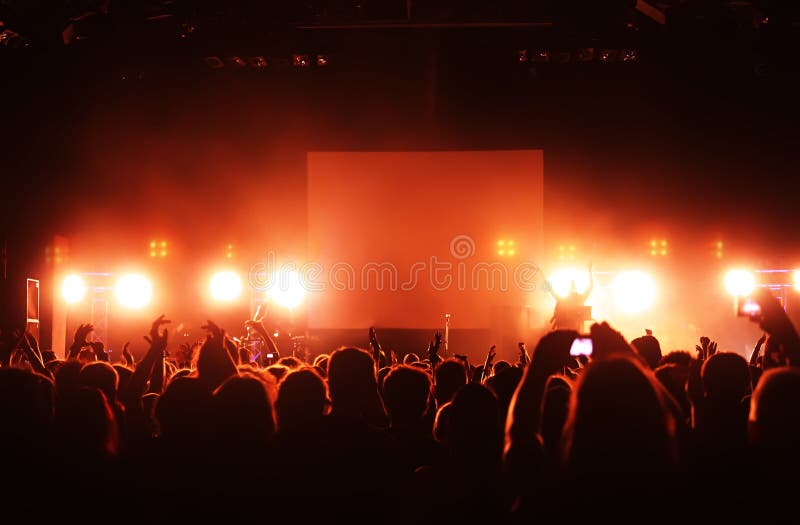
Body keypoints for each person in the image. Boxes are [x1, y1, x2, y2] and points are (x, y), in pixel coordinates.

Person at [548, 263, 593, 331]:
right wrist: (590, 272)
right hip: (574, 329)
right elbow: (590, 287)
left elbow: (552, 292)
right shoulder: (580, 299)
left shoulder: (565, 300)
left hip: (569, 329)